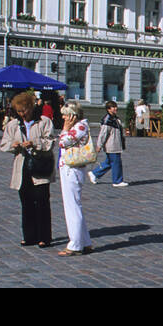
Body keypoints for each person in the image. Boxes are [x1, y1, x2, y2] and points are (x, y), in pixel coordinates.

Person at [0, 91, 54, 248]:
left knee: (42, 201)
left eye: (25, 111)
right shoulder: (13, 124)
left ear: (31, 107)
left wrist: (34, 143)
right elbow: (4, 144)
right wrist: (12, 146)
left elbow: (50, 143)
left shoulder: (44, 122)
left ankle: (44, 236)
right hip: (22, 165)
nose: (22, 114)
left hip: (40, 164)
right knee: (26, 201)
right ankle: (29, 236)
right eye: (19, 112)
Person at [56, 102, 94, 256]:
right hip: (69, 168)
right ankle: (85, 242)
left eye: (66, 114)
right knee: (73, 205)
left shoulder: (80, 127)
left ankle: (75, 244)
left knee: (72, 207)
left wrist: (65, 128)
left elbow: (63, 142)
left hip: (72, 168)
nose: (63, 117)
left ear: (73, 115)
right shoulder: (78, 127)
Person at [90, 101, 128, 187]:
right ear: (108, 109)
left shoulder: (114, 118)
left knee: (110, 162)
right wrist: (99, 145)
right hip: (112, 145)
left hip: (116, 144)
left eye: (115, 107)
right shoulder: (108, 119)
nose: (115, 108)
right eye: (113, 107)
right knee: (116, 163)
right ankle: (117, 181)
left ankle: (94, 173)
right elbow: (103, 134)